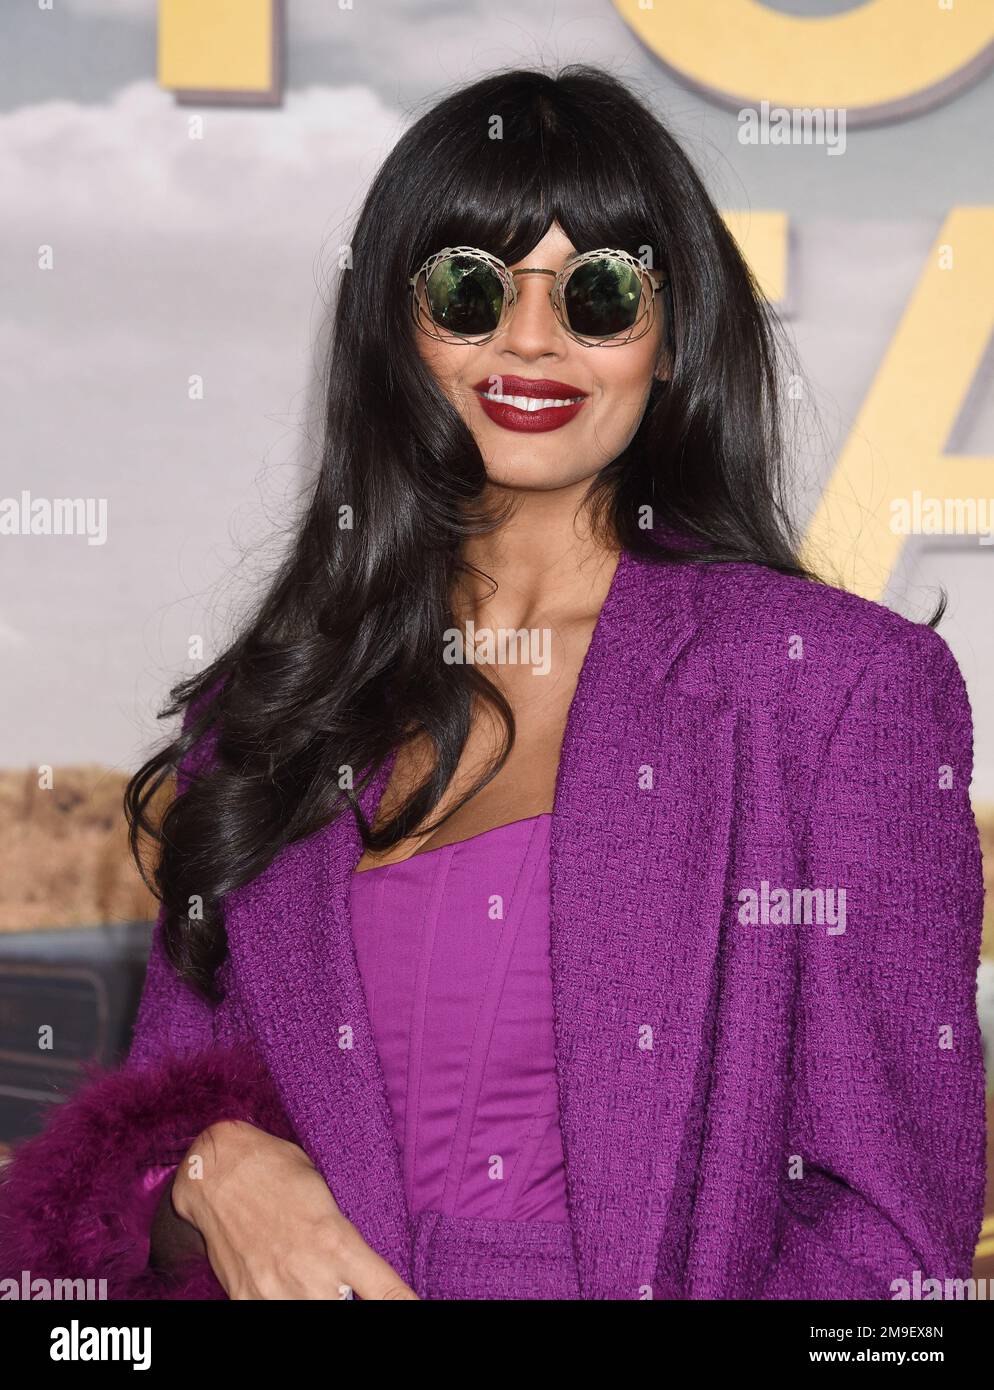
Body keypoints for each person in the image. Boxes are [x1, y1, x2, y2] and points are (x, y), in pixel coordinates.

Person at [0, 65, 985, 1302]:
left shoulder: (834, 690)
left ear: (673, 337)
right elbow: (135, 1156)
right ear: (396, 330)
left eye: (598, 293)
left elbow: (891, 1256)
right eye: (470, 289)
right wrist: (204, 1172)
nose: (529, 337)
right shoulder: (272, 710)